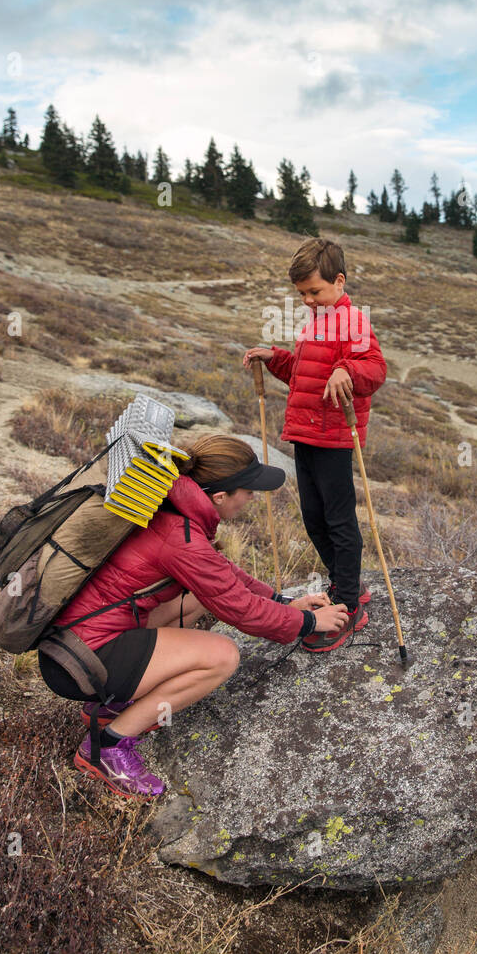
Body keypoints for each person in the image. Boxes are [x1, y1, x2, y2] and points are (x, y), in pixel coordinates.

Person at [37, 434, 351, 798]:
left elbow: (223, 574)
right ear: (219, 496)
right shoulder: (180, 536)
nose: (252, 498)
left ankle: (112, 705)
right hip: (80, 664)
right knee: (222, 656)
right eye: (248, 491)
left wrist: (283, 601)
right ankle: (106, 745)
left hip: (73, 642)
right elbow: (241, 611)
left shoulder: (173, 509)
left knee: (197, 599)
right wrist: (309, 623)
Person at [243, 236, 386, 653]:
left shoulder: (353, 321)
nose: (307, 299)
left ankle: (346, 606)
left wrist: (349, 371)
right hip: (305, 433)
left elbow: (374, 369)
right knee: (312, 515)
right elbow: (305, 377)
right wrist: (277, 358)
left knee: (339, 520)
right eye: (302, 293)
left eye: (314, 291)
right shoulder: (315, 323)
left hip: (335, 436)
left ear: (339, 281)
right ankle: (347, 583)